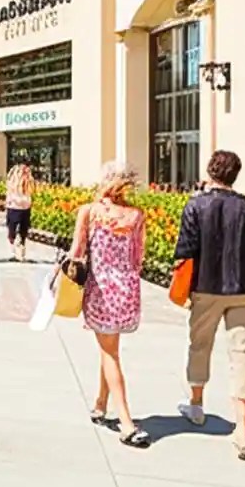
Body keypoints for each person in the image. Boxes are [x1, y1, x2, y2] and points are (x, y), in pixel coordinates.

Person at [172, 150, 245, 462]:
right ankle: (242, 429)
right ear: (235, 175)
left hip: (205, 288)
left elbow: (186, 250)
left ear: (210, 171)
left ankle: (196, 406)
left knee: (199, 345)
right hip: (243, 291)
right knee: (242, 355)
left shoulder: (196, 205)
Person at [67, 161, 150, 448]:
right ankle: (101, 403)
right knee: (110, 349)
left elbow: (76, 253)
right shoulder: (136, 215)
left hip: (100, 289)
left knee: (110, 353)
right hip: (126, 289)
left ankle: (125, 422)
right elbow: (138, 258)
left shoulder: (90, 212)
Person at [5, 163, 36, 262]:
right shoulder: (13, 182)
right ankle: (15, 252)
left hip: (22, 209)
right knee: (13, 232)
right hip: (14, 209)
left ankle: (20, 253)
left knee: (22, 232)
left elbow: (30, 194)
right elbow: (10, 195)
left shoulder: (28, 182)